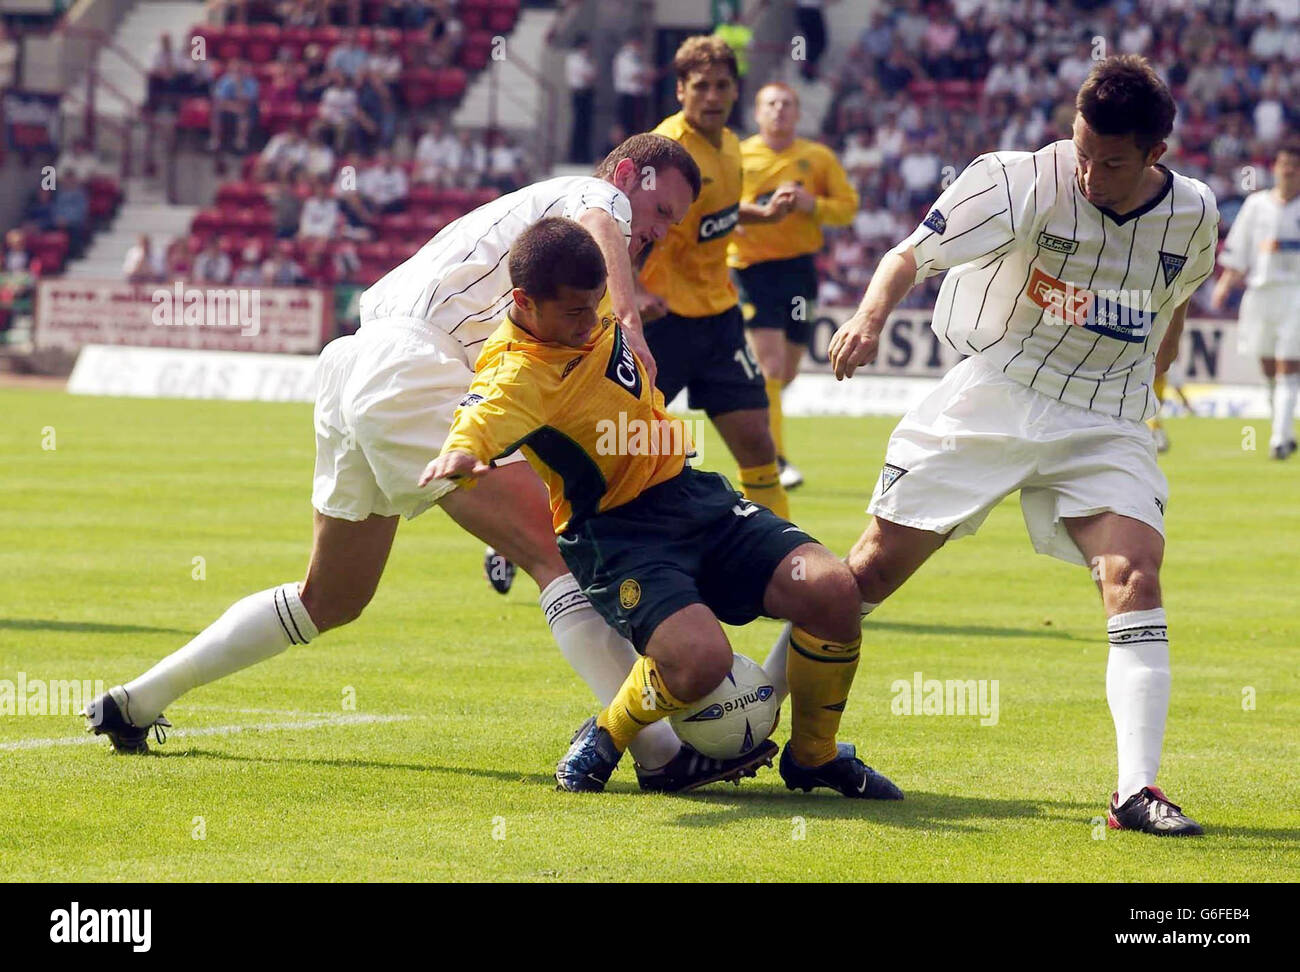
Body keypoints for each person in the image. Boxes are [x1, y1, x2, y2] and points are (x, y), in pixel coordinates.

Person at [84, 136, 767, 794]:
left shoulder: (541, 244)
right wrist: (631, 320)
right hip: (411, 366)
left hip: (358, 365)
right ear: (628, 180)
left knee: (331, 599)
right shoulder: (595, 199)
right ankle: (659, 754)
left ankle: (136, 701)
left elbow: (514, 395)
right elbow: (600, 220)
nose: (659, 232)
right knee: (554, 559)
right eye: (660, 214)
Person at [812, 55, 1218, 836]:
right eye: (1083, 149)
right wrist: (866, 319)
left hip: (1106, 414)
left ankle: (1136, 791)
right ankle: (754, 720)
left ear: (1157, 156)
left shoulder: (1196, 214)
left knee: (1134, 575)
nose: (1091, 173)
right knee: (860, 578)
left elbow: (1174, 309)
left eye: (1114, 162)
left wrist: (1154, 400)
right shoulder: (1016, 179)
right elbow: (908, 256)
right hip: (998, 393)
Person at [421, 216, 902, 798]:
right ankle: (608, 732)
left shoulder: (587, 305)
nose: (589, 320)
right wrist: (460, 453)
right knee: (699, 661)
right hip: (618, 535)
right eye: (576, 312)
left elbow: (607, 226)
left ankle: (813, 756)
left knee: (832, 590)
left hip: (690, 495)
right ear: (523, 302)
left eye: (595, 305)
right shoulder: (515, 372)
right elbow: (481, 415)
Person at [639, 36, 794, 519]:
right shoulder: (663, 151)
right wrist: (635, 291)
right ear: (681, 90)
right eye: (700, 85)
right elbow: (622, 222)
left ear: (734, 92)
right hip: (660, 322)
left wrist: (762, 216)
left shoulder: (730, 144)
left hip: (719, 315)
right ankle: (519, 543)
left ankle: (787, 562)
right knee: (622, 455)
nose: (712, 96)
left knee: (757, 444)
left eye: (721, 85)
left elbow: (716, 212)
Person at [728, 82, 858, 490]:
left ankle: (757, 411)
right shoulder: (738, 156)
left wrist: (812, 206)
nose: (779, 110)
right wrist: (737, 225)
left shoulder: (816, 158)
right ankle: (775, 461)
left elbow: (848, 209)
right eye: (771, 104)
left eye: (787, 104)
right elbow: (712, 208)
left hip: (799, 271)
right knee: (769, 366)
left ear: (798, 113)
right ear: (757, 112)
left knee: (785, 371)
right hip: (752, 270)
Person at [1210, 137, 1300, 460]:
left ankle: (1280, 437)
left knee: (1288, 365)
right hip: (1260, 293)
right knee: (1266, 365)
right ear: (1275, 168)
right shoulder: (1256, 205)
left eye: (1294, 166)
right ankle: (1283, 430)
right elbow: (1239, 252)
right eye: (1284, 165)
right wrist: (1225, 285)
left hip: (1295, 294)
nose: (1289, 171)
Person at [565, 35, 596, 165]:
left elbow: (594, 75)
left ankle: (584, 154)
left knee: (586, 125)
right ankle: (575, 155)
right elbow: (587, 76)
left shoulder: (587, 59)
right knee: (578, 124)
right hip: (579, 93)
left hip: (588, 93)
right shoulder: (574, 59)